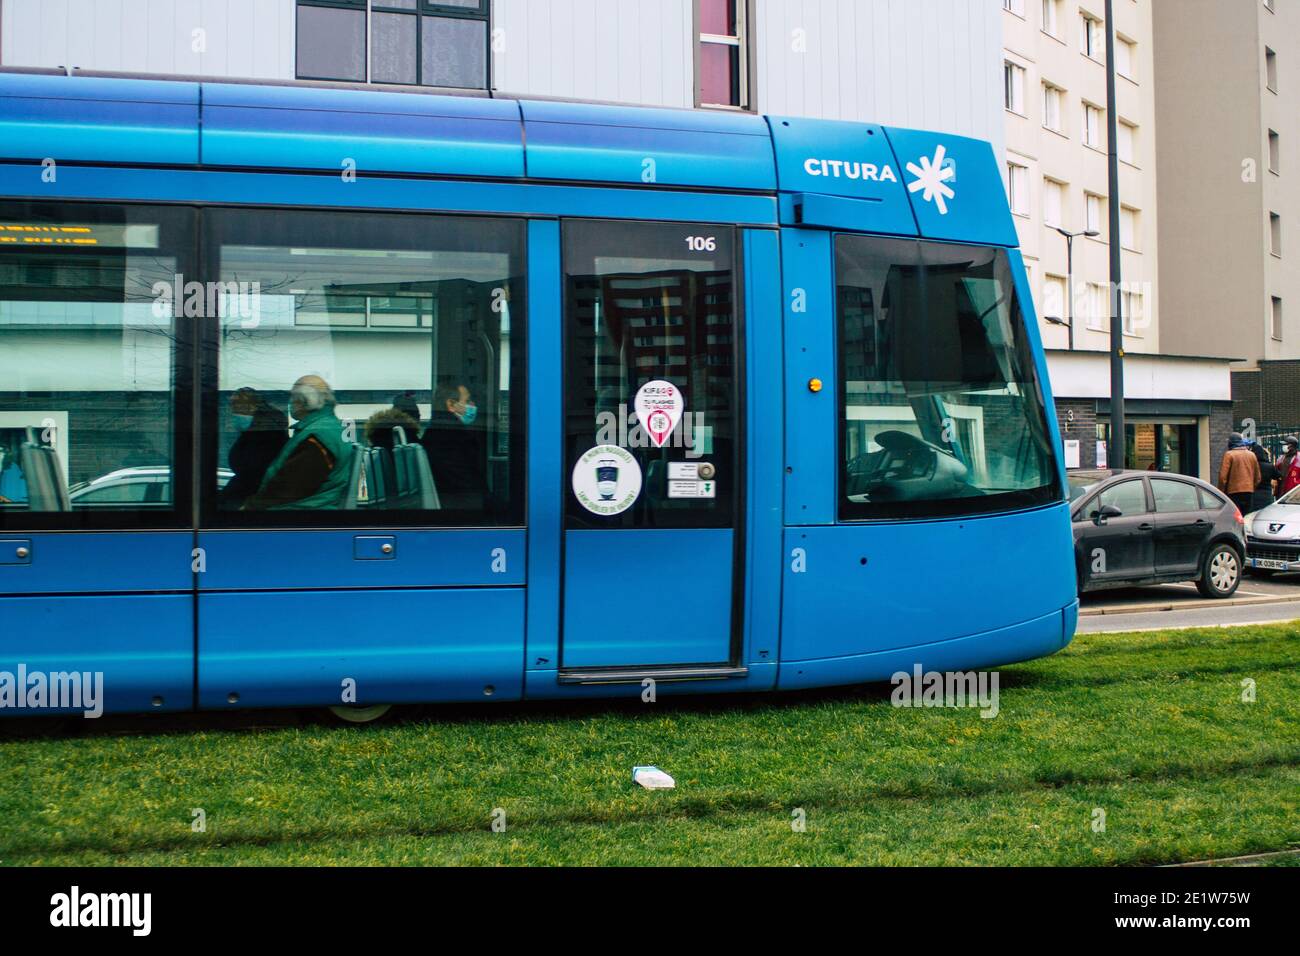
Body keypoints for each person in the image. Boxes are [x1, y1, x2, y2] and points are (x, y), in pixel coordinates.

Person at [244, 375, 353, 511]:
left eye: (292, 397)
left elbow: (286, 489)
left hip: (297, 514)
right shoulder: (327, 428)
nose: (290, 403)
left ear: (304, 401)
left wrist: (251, 506)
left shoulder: (318, 436)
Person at [218, 387, 289, 510]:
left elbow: (252, 476)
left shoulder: (267, 435)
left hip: (255, 501)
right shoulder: (253, 432)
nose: (233, 415)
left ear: (252, 408)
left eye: (237, 409)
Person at [419, 381, 485, 509]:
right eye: (468, 401)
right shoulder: (450, 436)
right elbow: (464, 483)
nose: (473, 405)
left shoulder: (438, 432)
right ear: (451, 405)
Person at [1218, 431, 1261, 516]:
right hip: (1249, 491)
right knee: (1246, 516)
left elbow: (1223, 477)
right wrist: (1251, 487)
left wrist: (1221, 492)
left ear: (1231, 442)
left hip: (1233, 492)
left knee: (1235, 517)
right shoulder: (1252, 455)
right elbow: (1258, 477)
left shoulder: (1229, 454)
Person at [1247, 438, 1279, 512]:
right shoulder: (1269, 466)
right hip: (1267, 495)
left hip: (1254, 495)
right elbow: (1278, 476)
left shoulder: (1251, 465)